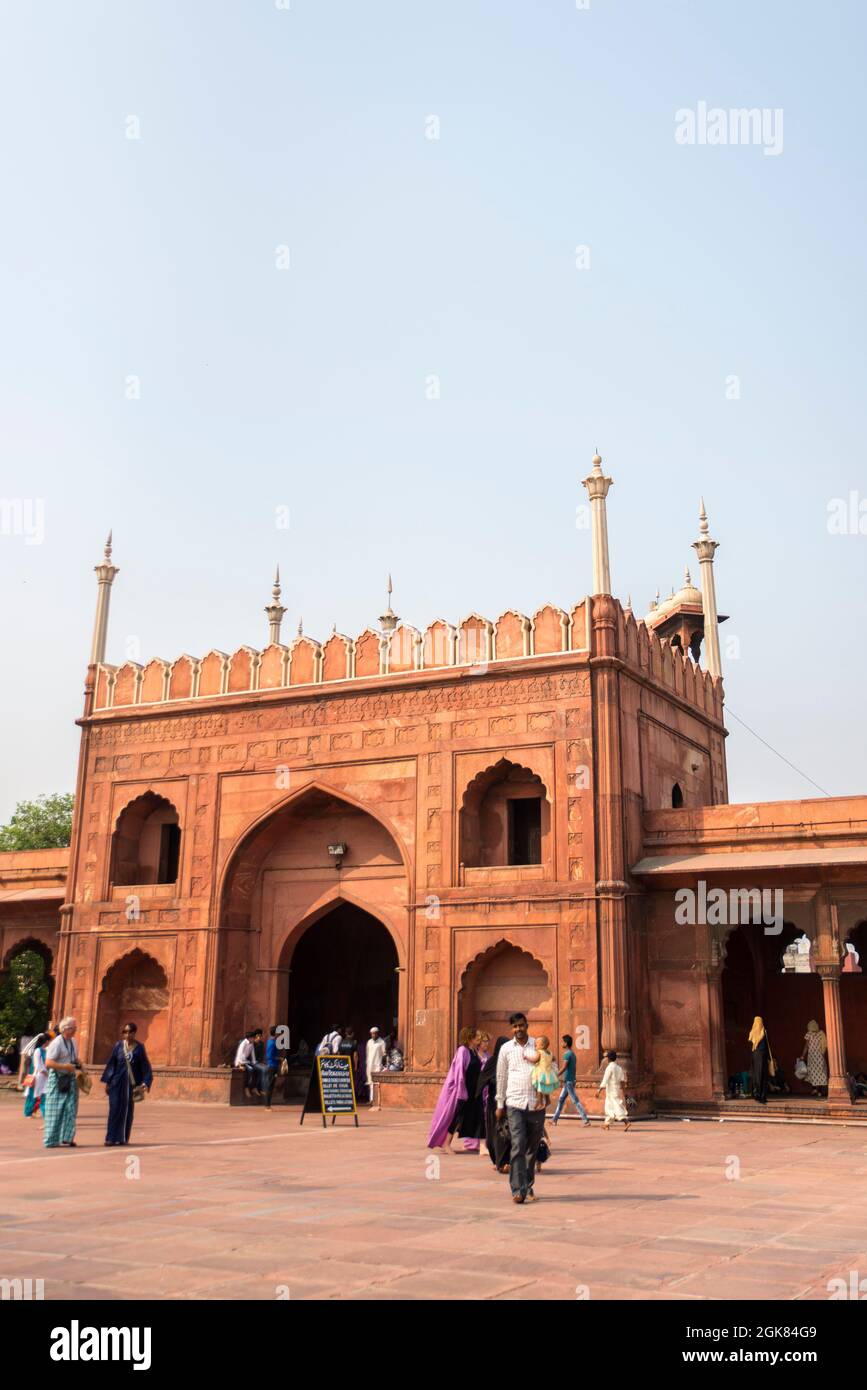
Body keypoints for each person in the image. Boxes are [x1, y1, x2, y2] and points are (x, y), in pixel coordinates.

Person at [495, 1012, 546, 1203]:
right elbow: (501, 1077)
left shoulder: (539, 1045)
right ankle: (518, 1189)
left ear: (527, 1025)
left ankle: (528, 1185)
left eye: (521, 1025)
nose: (518, 1029)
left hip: (536, 1103)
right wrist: (500, 1103)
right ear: (511, 1029)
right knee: (517, 1145)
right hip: (514, 1102)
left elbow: (552, 1067)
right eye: (515, 1026)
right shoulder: (506, 1049)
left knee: (532, 1148)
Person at [427, 1026, 480, 1152]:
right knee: (457, 1116)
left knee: (468, 1117)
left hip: (471, 1090)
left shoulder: (474, 1051)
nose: (478, 1039)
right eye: (476, 1037)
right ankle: (446, 1143)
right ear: (470, 1038)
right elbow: (459, 1073)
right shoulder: (463, 1050)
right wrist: (461, 1091)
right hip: (463, 1091)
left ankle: (472, 1143)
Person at [101, 1022, 154, 1145]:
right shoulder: (119, 1046)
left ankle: (123, 1138)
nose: (127, 1034)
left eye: (130, 1032)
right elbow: (111, 1064)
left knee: (127, 1111)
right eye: (125, 1031)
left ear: (135, 1033)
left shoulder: (139, 1048)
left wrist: (145, 1083)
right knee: (114, 1109)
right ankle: (110, 1138)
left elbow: (145, 1067)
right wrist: (108, 1082)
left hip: (131, 1085)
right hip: (116, 1083)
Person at [42, 1017, 83, 1148]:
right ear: (66, 1029)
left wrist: (79, 1064)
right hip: (58, 1079)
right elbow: (48, 1063)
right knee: (55, 1109)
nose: (75, 1030)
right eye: (73, 1028)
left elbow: (74, 1058)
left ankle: (67, 1137)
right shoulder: (57, 1043)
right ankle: (51, 1139)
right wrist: (65, 1066)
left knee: (71, 1109)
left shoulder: (73, 1042)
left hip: (70, 1078)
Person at [477, 1036, 510, 1171]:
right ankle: (499, 1161)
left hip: (508, 1102)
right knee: (494, 1134)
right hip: (494, 1104)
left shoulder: (509, 1061)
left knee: (505, 1133)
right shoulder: (493, 1062)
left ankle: (504, 1162)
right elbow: (483, 1079)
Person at [550, 1033, 590, 1125]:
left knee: (575, 1101)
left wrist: (556, 1075)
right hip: (569, 1080)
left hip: (568, 1081)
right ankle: (554, 1120)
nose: (561, 1044)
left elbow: (564, 1067)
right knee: (561, 1100)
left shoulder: (567, 1054)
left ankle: (586, 1120)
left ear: (566, 1043)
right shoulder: (573, 1054)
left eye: (562, 1042)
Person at [598, 1050, 630, 1131]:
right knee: (609, 1107)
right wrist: (624, 1091)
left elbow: (605, 1080)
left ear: (608, 1059)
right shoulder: (619, 1068)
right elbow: (623, 1081)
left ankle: (626, 1122)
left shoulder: (609, 1068)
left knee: (616, 1107)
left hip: (611, 1091)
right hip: (617, 1090)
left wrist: (599, 1090)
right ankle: (606, 1124)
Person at [22, 1032, 49, 1118]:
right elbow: (38, 1066)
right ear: (45, 1041)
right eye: (49, 1040)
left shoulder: (46, 1050)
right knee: (33, 1095)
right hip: (38, 1077)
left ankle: (45, 1113)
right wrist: (46, 1073)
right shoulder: (37, 1051)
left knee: (44, 1095)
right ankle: (28, 1112)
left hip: (44, 1077)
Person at [749, 1016, 773, 1104]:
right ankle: (762, 1096)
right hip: (763, 1056)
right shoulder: (764, 1032)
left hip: (755, 1056)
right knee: (763, 1077)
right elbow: (768, 1045)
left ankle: (757, 1095)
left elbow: (751, 1047)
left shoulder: (752, 1033)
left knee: (756, 1076)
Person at [530, 1036, 560, 1106]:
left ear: (542, 1045)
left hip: (540, 1073)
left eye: (536, 1044)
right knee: (545, 1087)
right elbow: (553, 1059)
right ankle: (547, 1100)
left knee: (539, 1089)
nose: (535, 1046)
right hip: (548, 1073)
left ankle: (540, 1102)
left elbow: (535, 1060)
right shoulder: (550, 1052)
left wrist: (528, 1058)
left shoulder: (539, 1052)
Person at [802, 1020, 829, 1096]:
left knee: (813, 1073)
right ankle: (819, 1091)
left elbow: (806, 1046)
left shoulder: (809, 1034)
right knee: (820, 1073)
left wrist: (802, 1055)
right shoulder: (821, 1033)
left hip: (812, 1057)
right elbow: (824, 1045)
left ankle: (814, 1089)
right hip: (820, 1056)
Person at [233, 1030, 260, 1096]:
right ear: (250, 1038)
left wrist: (254, 1062)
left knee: (257, 1069)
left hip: (247, 1061)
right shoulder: (243, 1043)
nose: (254, 1039)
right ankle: (246, 1087)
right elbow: (240, 1054)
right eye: (253, 1038)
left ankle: (254, 1087)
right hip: (240, 1062)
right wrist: (241, 1063)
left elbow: (252, 1054)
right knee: (250, 1070)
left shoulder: (251, 1044)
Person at [365, 1027, 387, 1103]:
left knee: (377, 1082)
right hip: (370, 1064)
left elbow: (384, 1054)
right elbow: (367, 1053)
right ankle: (371, 1099)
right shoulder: (369, 1042)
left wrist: (383, 1065)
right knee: (370, 1082)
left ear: (377, 1033)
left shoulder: (382, 1042)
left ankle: (377, 1100)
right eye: (372, 1033)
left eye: (375, 1033)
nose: (373, 1035)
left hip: (378, 1064)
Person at [264, 1025, 282, 1108]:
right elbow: (269, 1056)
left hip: (273, 1065)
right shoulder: (272, 1043)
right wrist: (279, 1058)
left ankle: (268, 1104)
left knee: (271, 1085)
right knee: (270, 1085)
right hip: (272, 1065)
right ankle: (267, 1105)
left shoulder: (271, 1041)